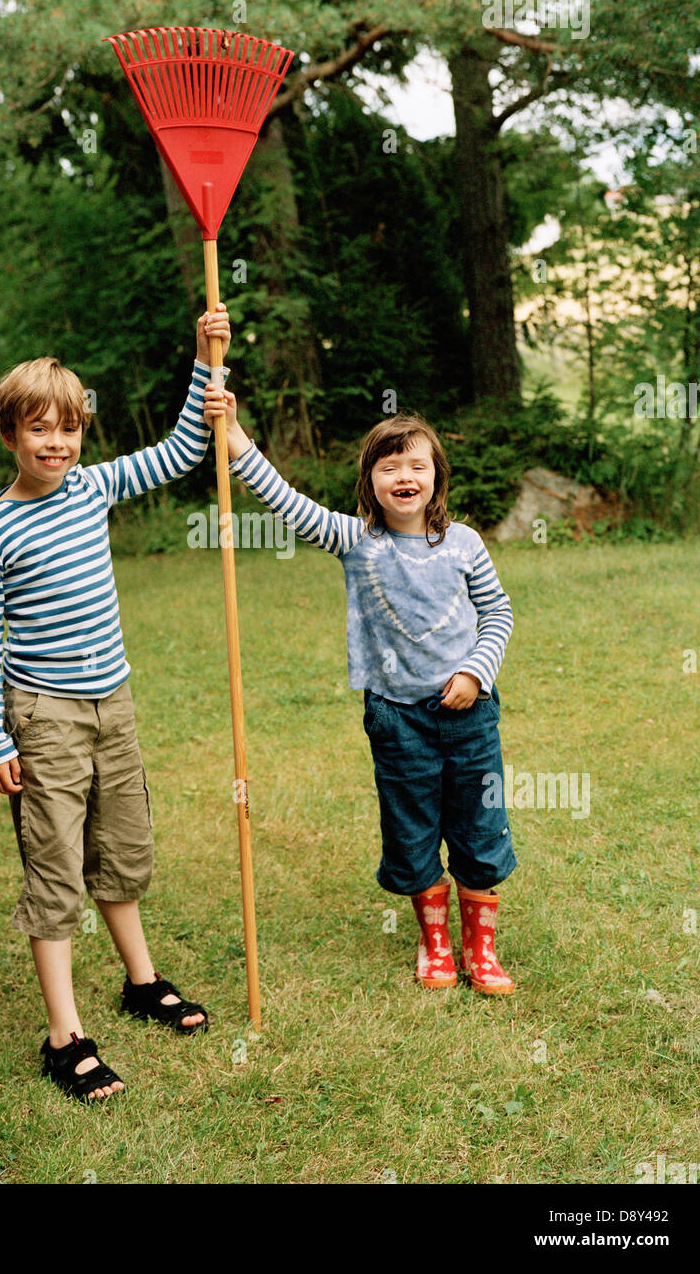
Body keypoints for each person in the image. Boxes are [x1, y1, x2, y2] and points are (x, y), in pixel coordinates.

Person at [0, 305, 231, 1105]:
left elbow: (185, 448)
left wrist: (203, 359)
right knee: (55, 870)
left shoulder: (94, 487)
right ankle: (64, 1036)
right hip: (43, 716)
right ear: (10, 436)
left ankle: (142, 983)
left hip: (112, 703)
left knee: (121, 850)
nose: (57, 444)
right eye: (38, 430)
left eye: (69, 429)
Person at [203, 385, 517, 996]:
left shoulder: (465, 543)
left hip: (469, 715)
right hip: (397, 718)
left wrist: (475, 672)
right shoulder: (356, 541)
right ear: (370, 481)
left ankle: (482, 950)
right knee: (412, 829)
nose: (404, 476)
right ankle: (434, 946)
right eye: (389, 465)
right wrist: (235, 435)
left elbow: (497, 613)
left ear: (436, 477)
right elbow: (285, 501)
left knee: (480, 827)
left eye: (416, 465)